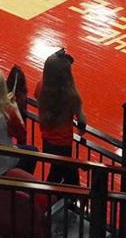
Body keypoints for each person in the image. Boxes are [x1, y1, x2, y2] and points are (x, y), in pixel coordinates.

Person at [36, 48, 86, 185]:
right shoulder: (71, 95)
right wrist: (80, 129)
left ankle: (51, 201)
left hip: (47, 141)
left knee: (57, 172)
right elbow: (81, 120)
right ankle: (50, 202)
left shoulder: (41, 87)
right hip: (64, 144)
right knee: (68, 178)